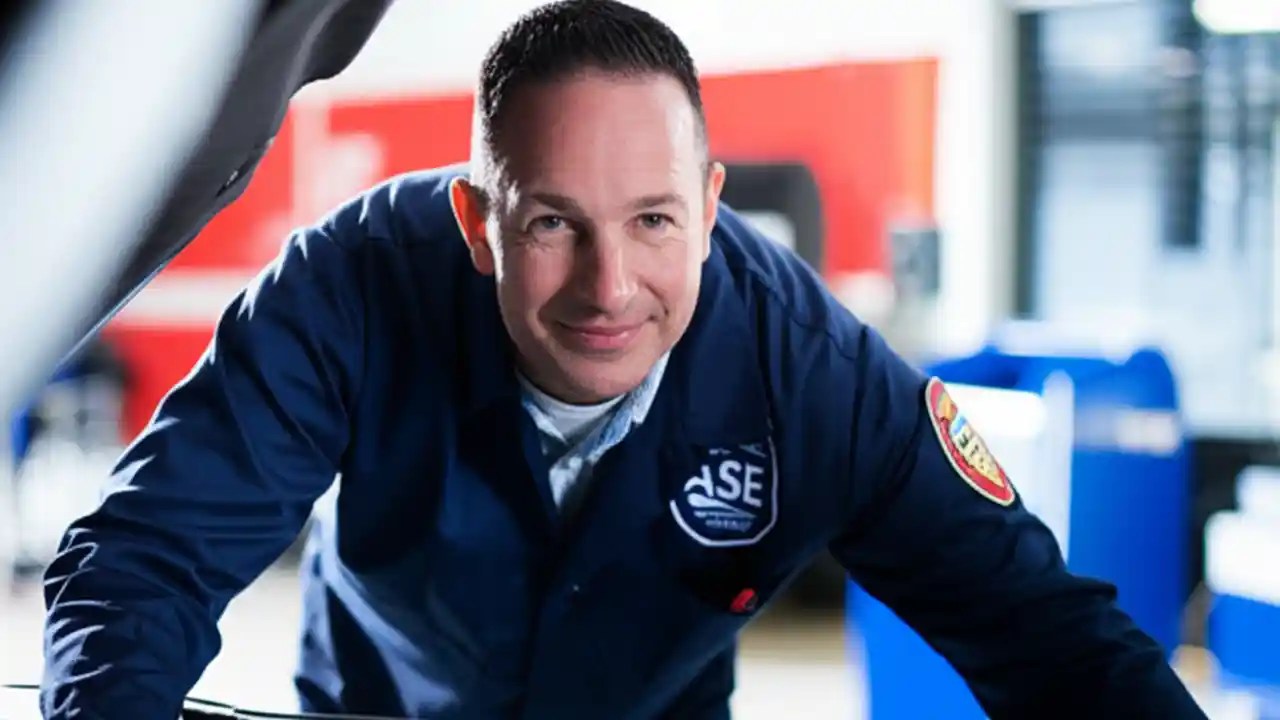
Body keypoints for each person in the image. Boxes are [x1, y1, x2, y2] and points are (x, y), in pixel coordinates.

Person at [40, 2, 1207, 718]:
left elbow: (1048, 638)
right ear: (474, 222)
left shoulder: (815, 374)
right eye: (551, 224)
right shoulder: (349, 288)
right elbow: (140, 566)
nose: (608, 290)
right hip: (372, 710)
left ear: (707, 206)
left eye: (651, 221)